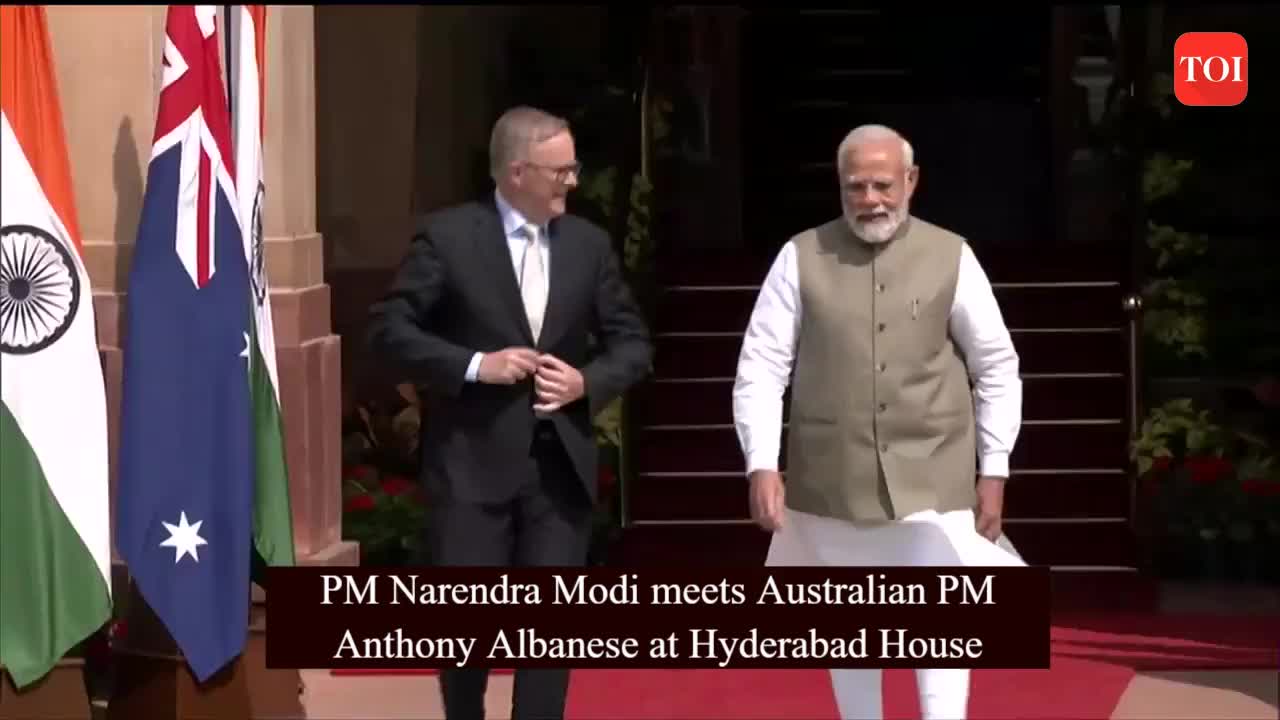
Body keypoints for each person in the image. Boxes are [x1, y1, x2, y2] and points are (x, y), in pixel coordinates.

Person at [366, 105, 653, 719]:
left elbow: (632, 343)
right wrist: (476, 365)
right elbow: (389, 330)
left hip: (559, 468)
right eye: (562, 170)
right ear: (518, 172)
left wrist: (586, 381)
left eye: (574, 169)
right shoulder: (448, 238)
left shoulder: (588, 245)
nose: (573, 181)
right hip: (470, 466)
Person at [731, 124, 1025, 720]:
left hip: (935, 475)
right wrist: (761, 462)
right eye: (856, 187)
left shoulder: (952, 255)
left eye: (883, 185)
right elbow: (761, 365)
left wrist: (994, 468)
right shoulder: (800, 255)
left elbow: (995, 364)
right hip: (832, 478)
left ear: (911, 181)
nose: (870, 200)